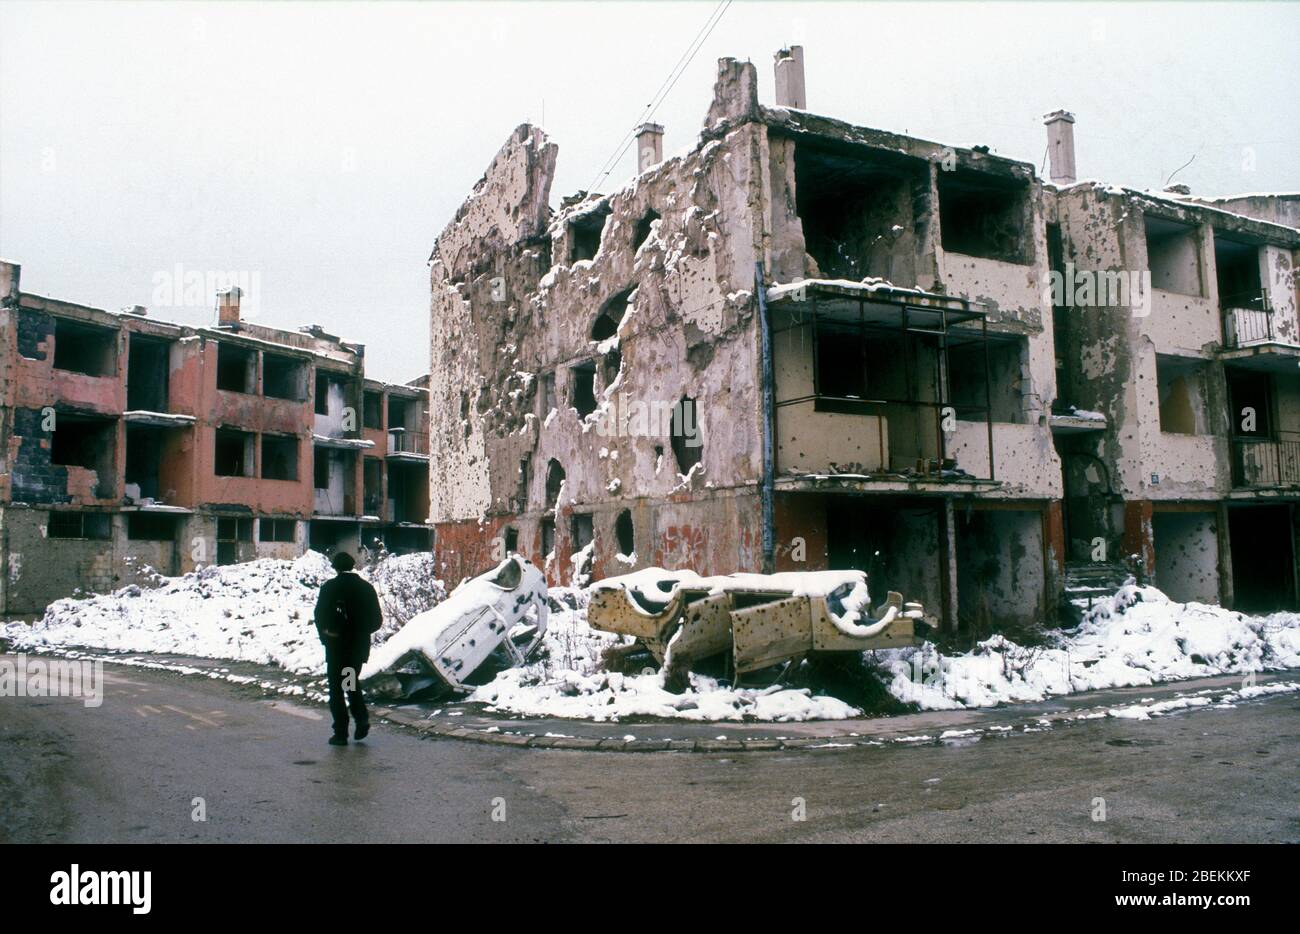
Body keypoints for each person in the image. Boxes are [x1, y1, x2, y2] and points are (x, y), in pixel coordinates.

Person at [314, 551, 382, 746]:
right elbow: (376, 621)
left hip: (336, 647)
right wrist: (359, 631)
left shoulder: (330, 588)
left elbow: (319, 616)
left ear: (335, 567)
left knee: (337, 688)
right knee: (350, 682)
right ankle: (361, 720)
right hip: (356, 648)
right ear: (353, 566)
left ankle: (341, 732)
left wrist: (327, 637)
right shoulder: (366, 588)